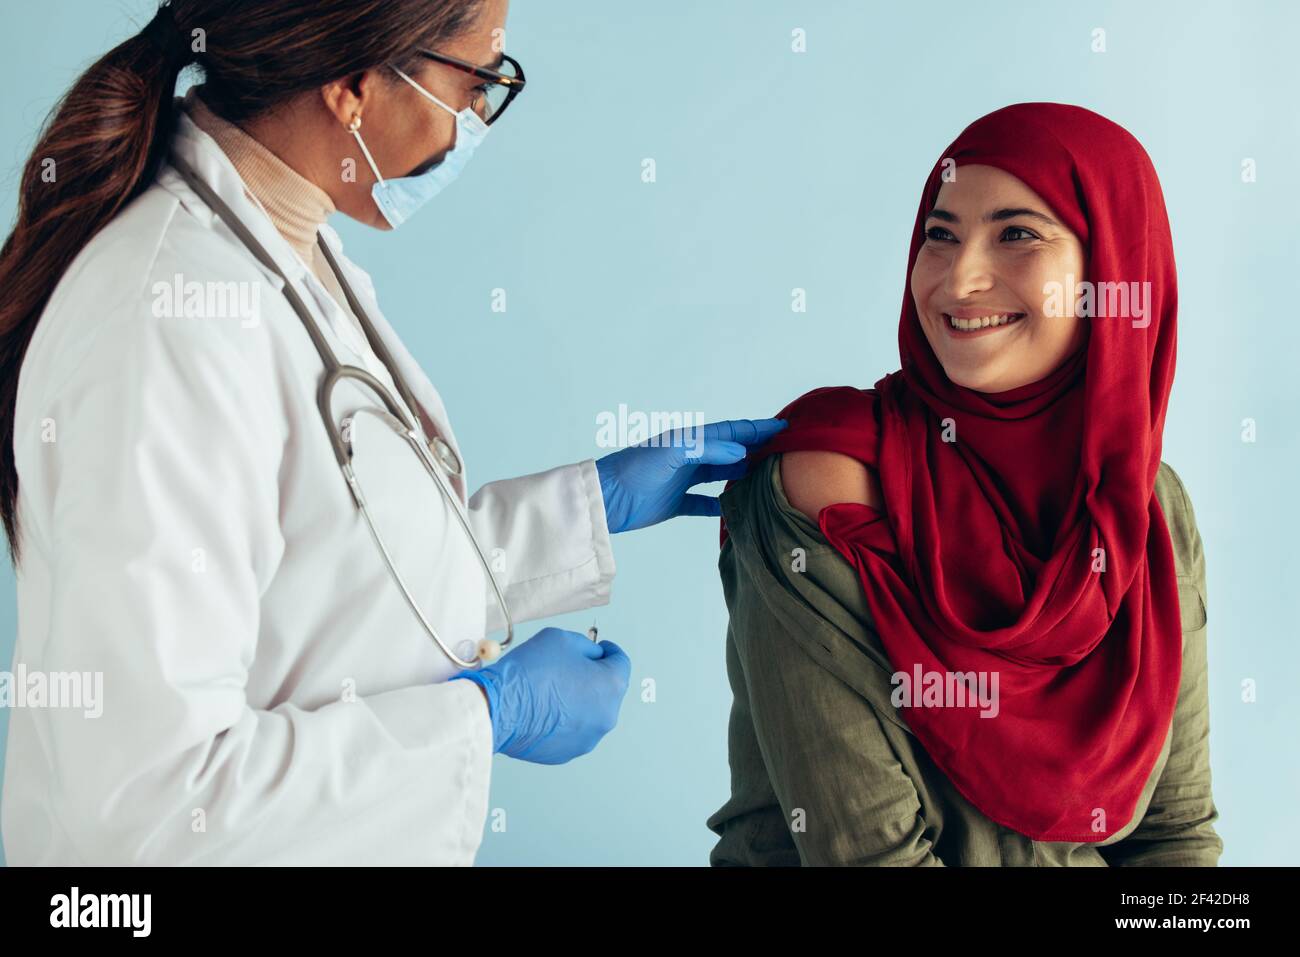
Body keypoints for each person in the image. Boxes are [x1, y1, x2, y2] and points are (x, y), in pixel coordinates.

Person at [0, 0, 784, 865]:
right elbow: (147, 810)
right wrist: (485, 715)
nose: (482, 116)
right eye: (480, 79)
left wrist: (586, 509)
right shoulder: (167, 320)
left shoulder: (288, 246)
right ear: (353, 85)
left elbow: (336, 574)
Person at [708, 102, 1223, 866]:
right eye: (939, 235)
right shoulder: (825, 479)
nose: (960, 277)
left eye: (1017, 234)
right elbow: (871, 857)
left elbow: (1175, 841)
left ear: (1113, 273)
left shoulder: (1147, 508)